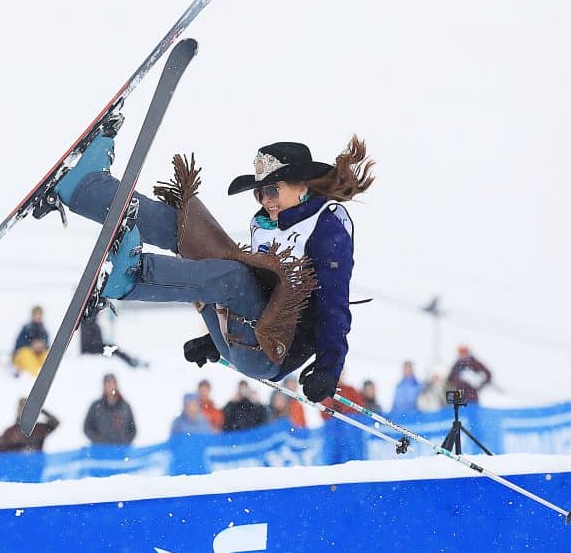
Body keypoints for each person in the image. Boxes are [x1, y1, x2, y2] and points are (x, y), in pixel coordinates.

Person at [55, 135, 374, 405]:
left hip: (272, 350)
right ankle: (88, 190)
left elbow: (334, 302)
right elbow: (254, 296)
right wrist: (213, 341)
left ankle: (133, 278)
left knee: (234, 274)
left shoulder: (326, 223)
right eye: (259, 193)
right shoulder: (262, 224)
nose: (266, 201)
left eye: (272, 190)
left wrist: (329, 367)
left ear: (301, 186)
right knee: (190, 233)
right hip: (239, 335)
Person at [83, 374, 137, 446]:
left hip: (121, 451)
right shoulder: (96, 406)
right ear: (104, 386)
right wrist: (97, 439)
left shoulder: (125, 406)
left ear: (116, 385)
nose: (110, 386)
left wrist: (126, 440)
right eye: (108, 383)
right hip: (100, 452)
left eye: (112, 383)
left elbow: (132, 429)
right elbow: (87, 427)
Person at [78, 313, 145, 368]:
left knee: (114, 348)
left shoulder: (92, 324)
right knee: (114, 349)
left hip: (94, 347)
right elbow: (95, 341)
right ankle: (131, 362)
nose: (101, 314)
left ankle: (131, 361)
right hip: (90, 348)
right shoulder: (88, 323)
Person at [12, 306, 50, 376]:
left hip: (37, 357)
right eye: (36, 314)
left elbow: (47, 344)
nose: (38, 316)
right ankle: (32, 377)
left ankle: (46, 375)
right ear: (32, 315)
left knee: (47, 355)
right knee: (26, 353)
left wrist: (42, 346)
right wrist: (31, 345)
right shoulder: (26, 329)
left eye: (39, 314)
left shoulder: (44, 331)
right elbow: (19, 344)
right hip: (22, 358)